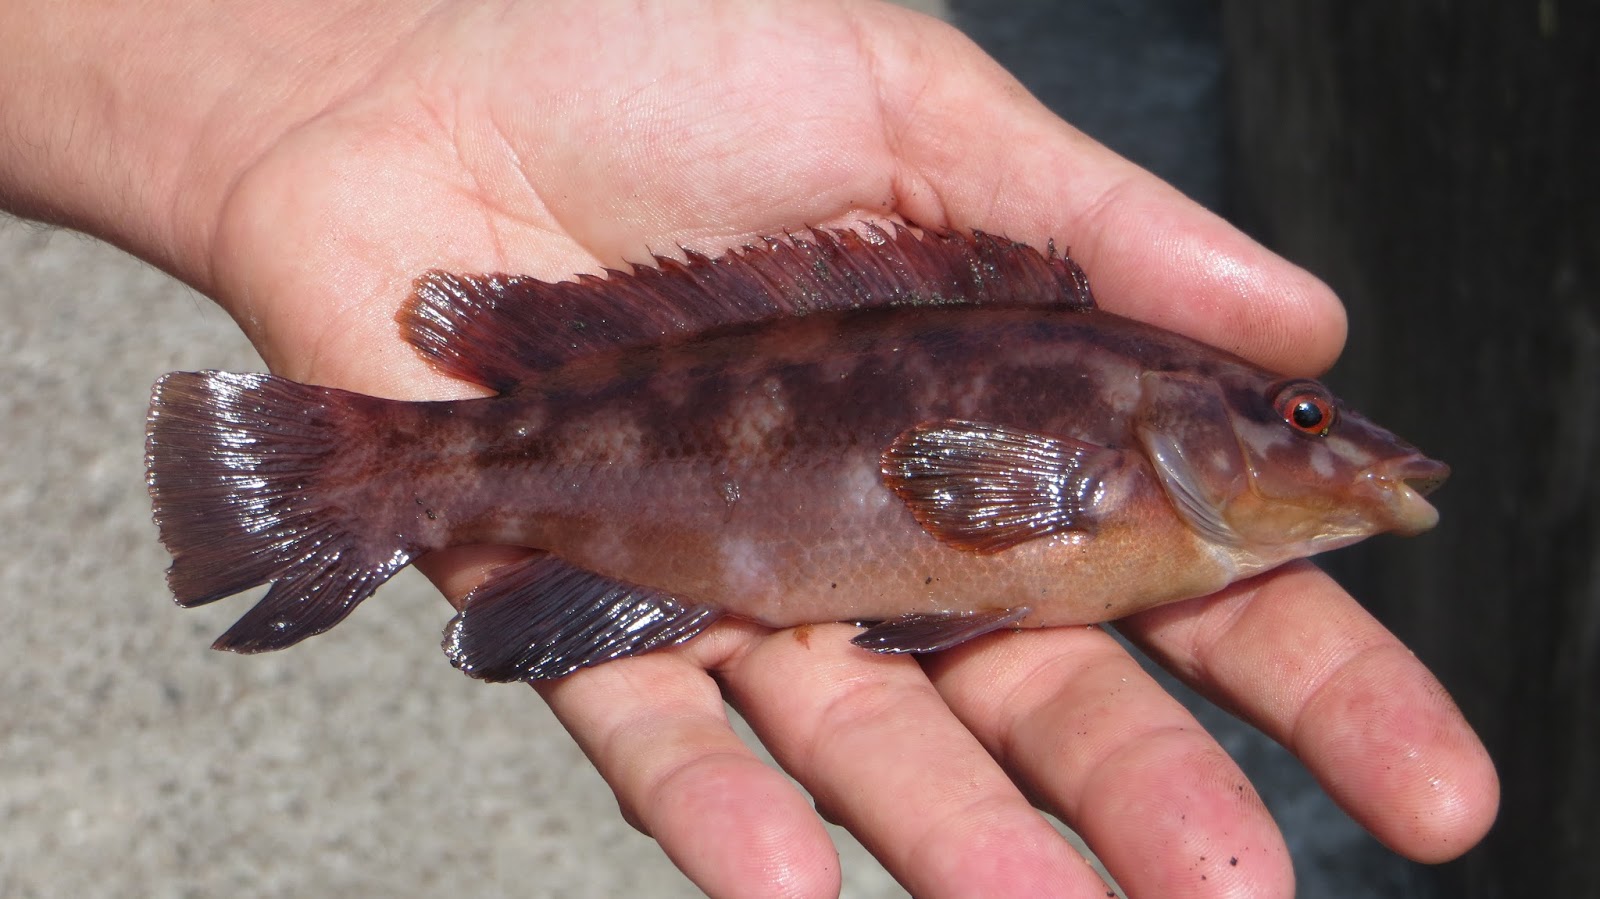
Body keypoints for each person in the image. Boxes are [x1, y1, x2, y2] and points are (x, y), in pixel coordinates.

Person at [0, 1, 1497, 895]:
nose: (1344, 450)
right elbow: (946, 496)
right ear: (1177, 428)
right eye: (1301, 421)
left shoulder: (1135, 437)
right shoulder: (1110, 436)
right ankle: (363, 471)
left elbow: (940, 510)